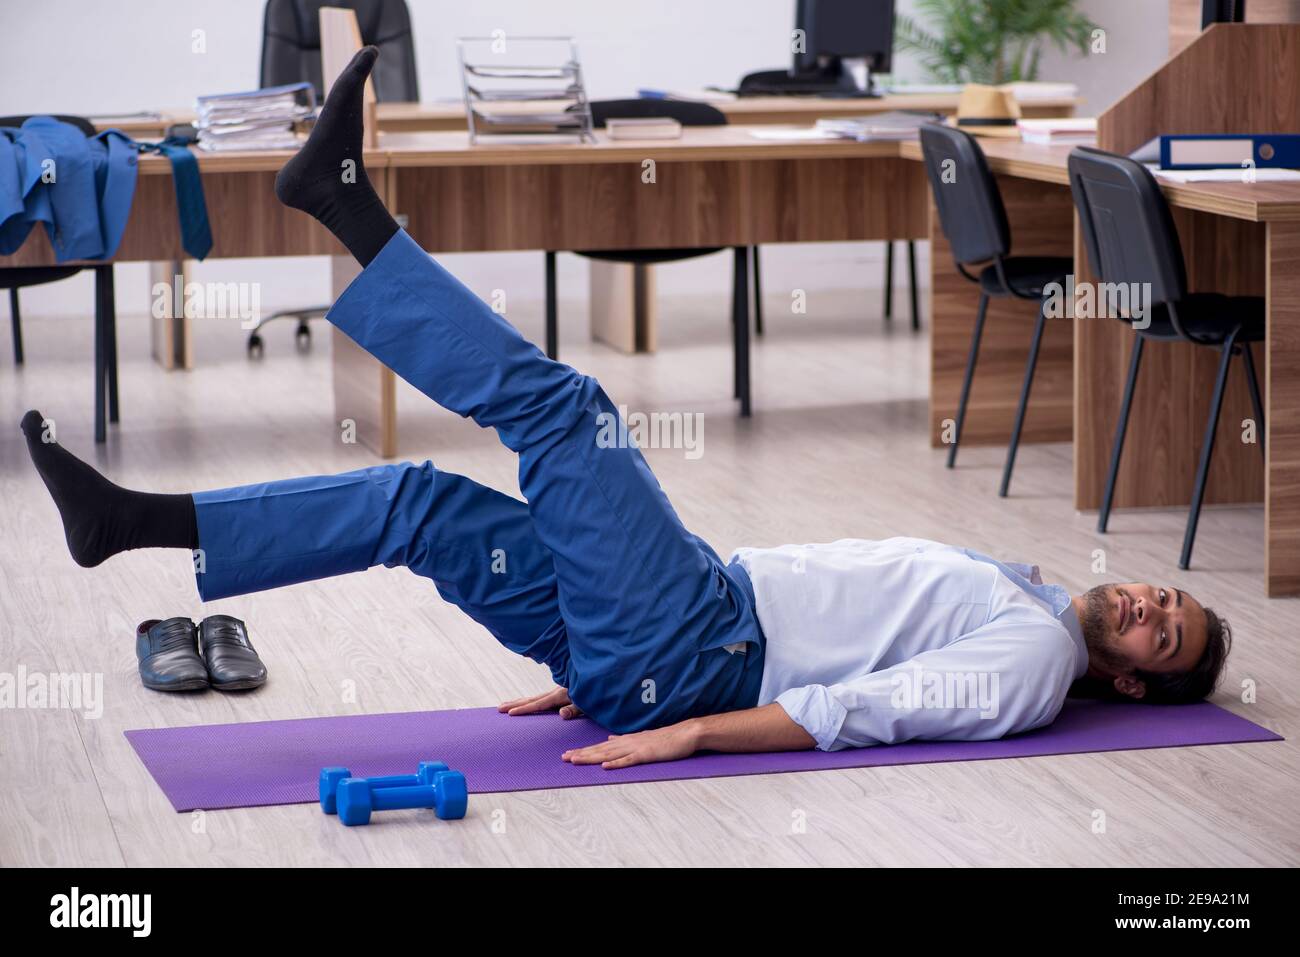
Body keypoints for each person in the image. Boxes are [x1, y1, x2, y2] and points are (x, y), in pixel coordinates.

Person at [20, 48, 1231, 770]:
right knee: (413, 503)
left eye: (1159, 636)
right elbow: (848, 605)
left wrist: (685, 723)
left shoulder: (1034, 661)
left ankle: (345, 204)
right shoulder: (1030, 592)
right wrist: (612, 641)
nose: (1147, 606)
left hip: (694, 649)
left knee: (565, 413)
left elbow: (864, 709)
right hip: (672, 618)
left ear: (1128, 683)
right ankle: (130, 522)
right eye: (1164, 598)